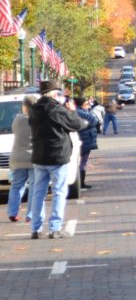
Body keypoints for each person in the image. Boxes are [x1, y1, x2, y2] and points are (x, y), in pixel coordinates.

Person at [29, 80, 88, 239]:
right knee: (59, 192)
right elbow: (78, 124)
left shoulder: (34, 110)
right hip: (57, 155)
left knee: (38, 193)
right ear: (55, 93)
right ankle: (54, 228)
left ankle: (36, 228)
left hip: (39, 156)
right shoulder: (57, 110)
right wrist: (72, 111)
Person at [8, 94, 38, 223]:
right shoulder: (38, 119)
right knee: (34, 186)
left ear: (24, 106)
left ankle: (13, 212)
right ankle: (30, 214)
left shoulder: (18, 119)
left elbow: (15, 131)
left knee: (16, 186)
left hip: (17, 157)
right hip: (34, 158)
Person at [74, 97, 99, 190]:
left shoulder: (81, 111)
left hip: (85, 139)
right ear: (82, 104)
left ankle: (81, 182)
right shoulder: (79, 112)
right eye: (86, 103)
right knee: (81, 162)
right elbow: (94, 120)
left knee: (82, 162)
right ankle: (80, 183)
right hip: (83, 139)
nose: (88, 105)